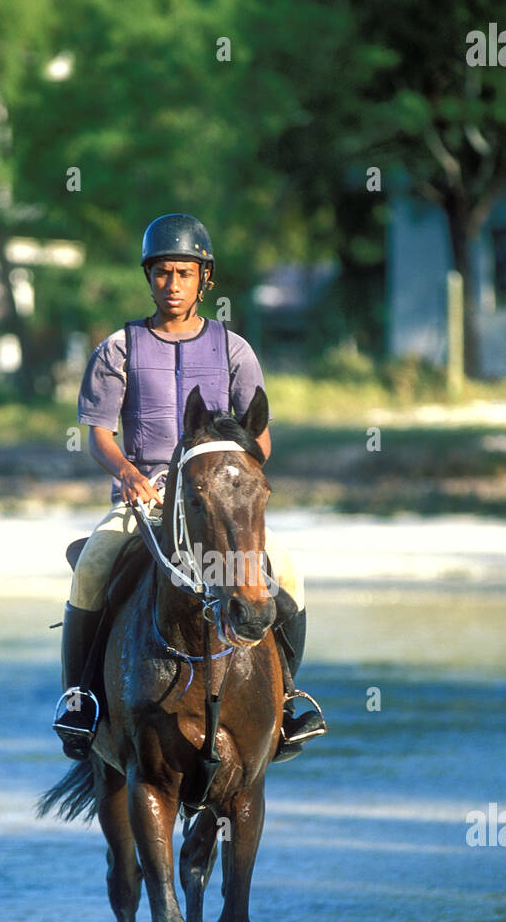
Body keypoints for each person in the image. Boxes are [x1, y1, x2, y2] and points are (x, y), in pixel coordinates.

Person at [53, 212, 326, 762]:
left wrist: (230, 471)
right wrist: (128, 474)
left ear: (205, 278)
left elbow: (260, 439)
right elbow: (98, 436)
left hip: (216, 506)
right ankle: (80, 698)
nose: (171, 285)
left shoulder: (234, 350)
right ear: (149, 278)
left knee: (288, 570)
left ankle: (290, 697)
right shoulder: (118, 349)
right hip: (146, 499)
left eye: (183, 273)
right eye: (161, 274)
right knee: (92, 567)